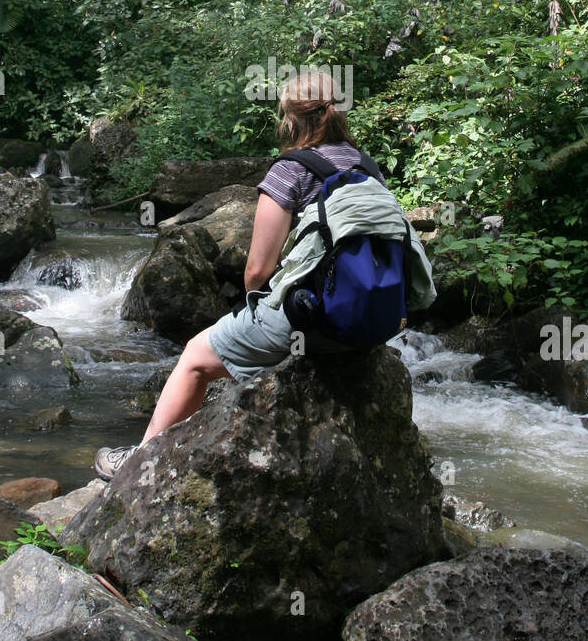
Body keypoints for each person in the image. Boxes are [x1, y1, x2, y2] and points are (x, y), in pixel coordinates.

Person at [93, 67, 434, 480]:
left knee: (195, 358)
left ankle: (139, 463)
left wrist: (255, 306)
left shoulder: (289, 170)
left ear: (291, 119)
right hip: (371, 324)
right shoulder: (369, 168)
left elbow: (257, 271)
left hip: (314, 324)